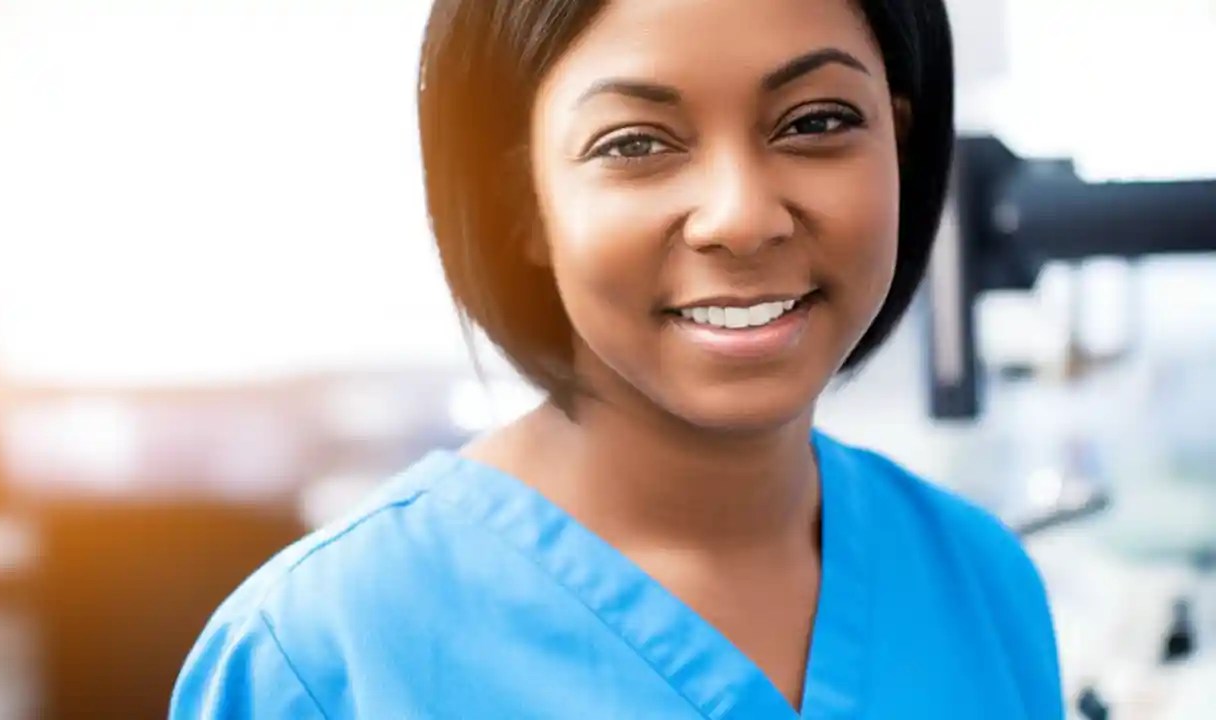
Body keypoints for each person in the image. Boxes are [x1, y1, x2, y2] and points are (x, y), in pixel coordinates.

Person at [171, 0, 1064, 717]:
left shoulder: (979, 582)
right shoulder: (321, 654)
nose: (740, 215)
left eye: (816, 120)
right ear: (520, 200)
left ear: (900, 149)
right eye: (634, 144)